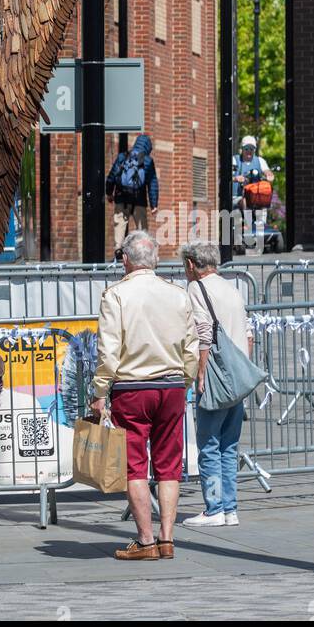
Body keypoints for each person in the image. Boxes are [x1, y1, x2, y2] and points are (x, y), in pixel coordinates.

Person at [92, 229, 199, 562]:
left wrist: (99, 390)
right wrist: (185, 381)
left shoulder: (116, 295)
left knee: (134, 467)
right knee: (169, 465)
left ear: (125, 259)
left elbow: (108, 351)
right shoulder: (178, 294)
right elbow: (191, 347)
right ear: (154, 260)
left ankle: (145, 540)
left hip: (132, 387)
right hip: (170, 386)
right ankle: (167, 538)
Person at [181, 241, 254, 529]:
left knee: (209, 444)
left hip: (213, 375)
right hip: (237, 376)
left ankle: (214, 508)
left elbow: (203, 334)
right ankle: (230, 507)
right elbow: (247, 333)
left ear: (190, 264)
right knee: (229, 445)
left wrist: (200, 373)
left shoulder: (196, 289)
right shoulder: (232, 288)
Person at [106, 134, 159, 249]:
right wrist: (154, 204)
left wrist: (109, 193)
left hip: (121, 198)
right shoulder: (148, 161)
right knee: (142, 229)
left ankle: (118, 249)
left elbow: (112, 176)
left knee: (119, 225)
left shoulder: (122, 157)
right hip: (139, 200)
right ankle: (143, 251)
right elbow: (152, 183)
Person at [232, 135, 274, 247]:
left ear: (254, 150)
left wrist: (269, 175)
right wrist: (236, 178)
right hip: (238, 196)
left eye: (251, 149)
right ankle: (247, 225)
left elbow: (267, 171)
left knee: (263, 203)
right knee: (244, 202)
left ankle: (262, 226)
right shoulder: (235, 160)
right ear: (242, 149)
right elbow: (228, 175)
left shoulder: (259, 161)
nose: (249, 151)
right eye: (246, 149)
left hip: (256, 196)